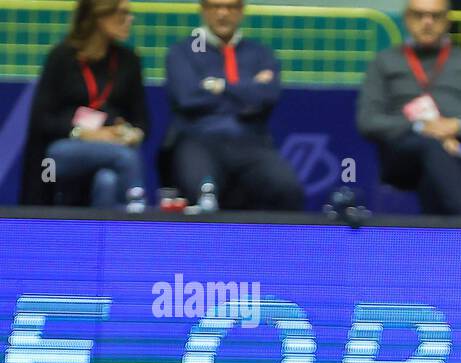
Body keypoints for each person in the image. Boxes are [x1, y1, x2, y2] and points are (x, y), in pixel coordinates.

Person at [359, 0, 461, 216]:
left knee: (439, 163)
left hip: (457, 151)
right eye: (419, 15)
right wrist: (421, 126)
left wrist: (458, 125)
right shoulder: (384, 62)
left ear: (447, 21)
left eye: (435, 16)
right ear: (407, 19)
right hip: (402, 155)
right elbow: (368, 121)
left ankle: (437, 241)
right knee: (433, 146)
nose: (427, 23)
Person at [164, 0, 304, 211]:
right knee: (202, 194)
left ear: (241, 11)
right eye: (215, 6)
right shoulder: (181, 52)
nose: (223, 13)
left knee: (287, 189)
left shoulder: (261, 54)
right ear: (203, 10)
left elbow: (267, 97)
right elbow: (187, 99)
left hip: (251, 141)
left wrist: (219, 86)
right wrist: (246, 90)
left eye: (231, 7)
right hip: (199, 140)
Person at [20, 0, 148, 208]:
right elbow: (41, 120)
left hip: (111, 146)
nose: (129, 19)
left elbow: (143, 122)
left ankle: (106, 239)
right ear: (99, 16)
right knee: (125, 158)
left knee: (107, 181)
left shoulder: (129, 61)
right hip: (63, 149)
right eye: (122, 13)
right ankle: (139, 219)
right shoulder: (61, 57)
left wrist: (128, 133)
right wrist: (86, 133)